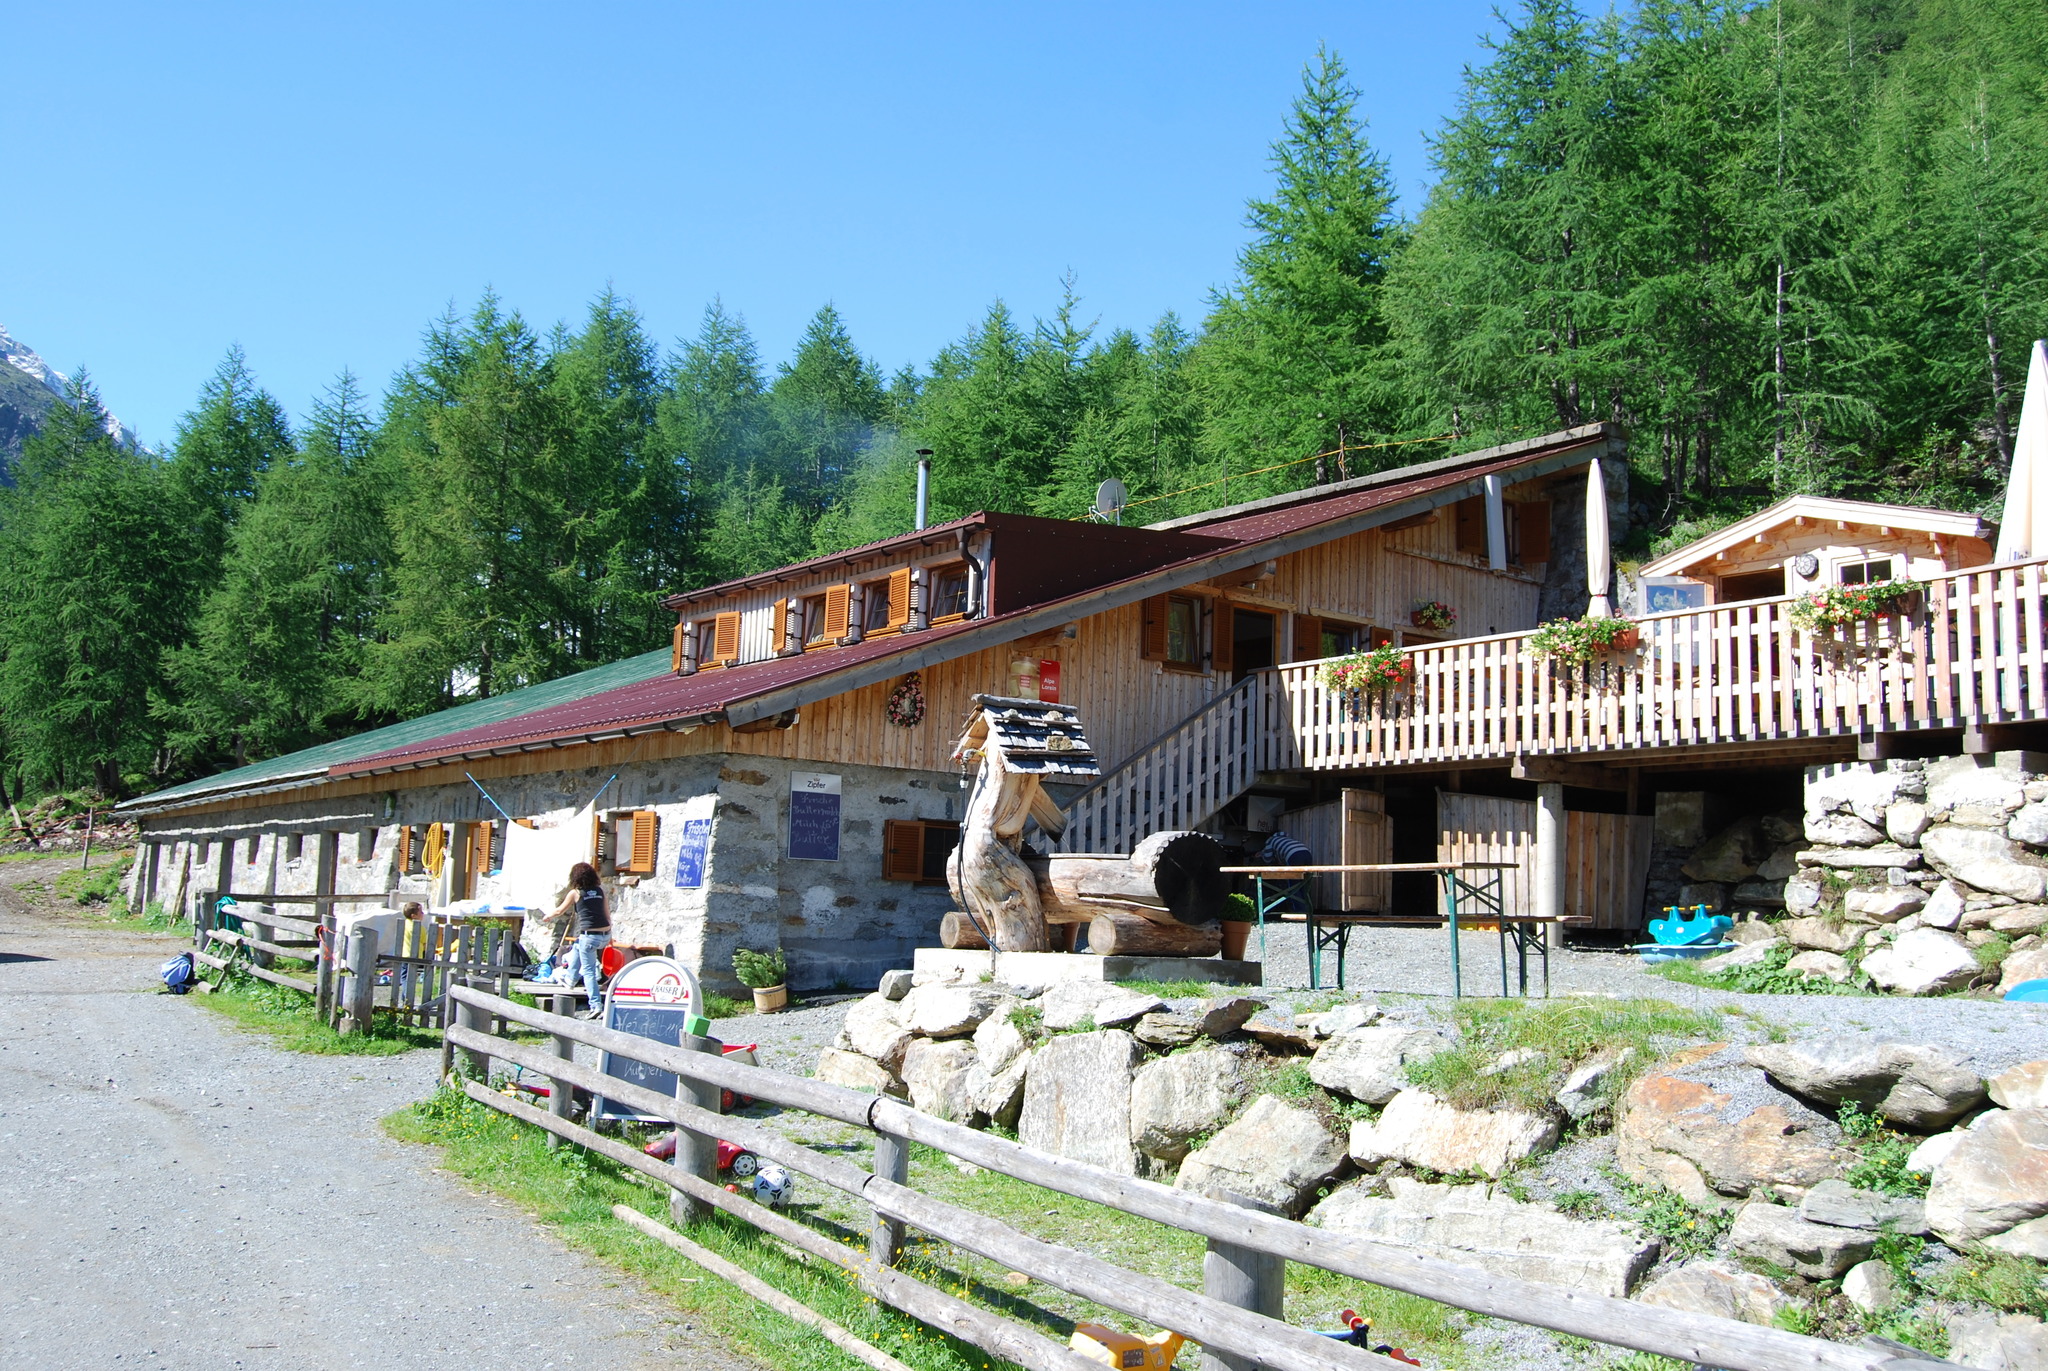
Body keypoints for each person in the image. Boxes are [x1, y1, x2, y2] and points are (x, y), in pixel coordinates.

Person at [549, 862, 610, 1018]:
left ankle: (596, 1006)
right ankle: (570, 979)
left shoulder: (575, 893)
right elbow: (606, 913)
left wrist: (548, 916)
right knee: (577, 945)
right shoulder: (599, 891)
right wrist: (610, 935)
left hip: (589, 936)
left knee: (589, 972)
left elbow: (559, 910)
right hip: (604, 934)